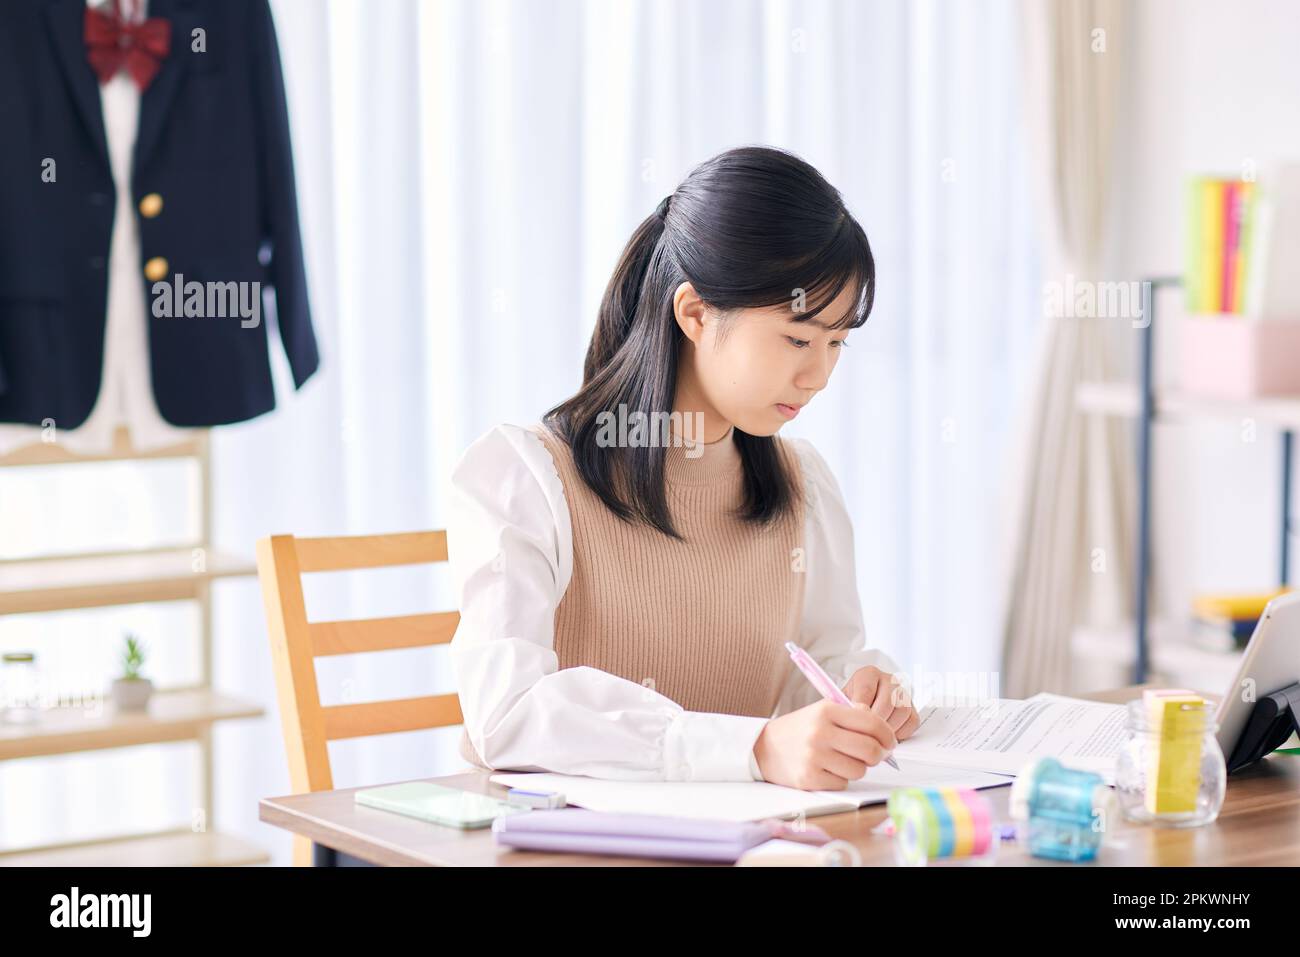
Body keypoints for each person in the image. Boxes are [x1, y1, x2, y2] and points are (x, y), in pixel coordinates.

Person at [448, 145, 918, 791]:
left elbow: (820, 667)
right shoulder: (526, 474)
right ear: (695, 313)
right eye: (798, 339)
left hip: (752, 842)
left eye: (837, 342)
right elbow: (507, 713)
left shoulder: (801, 483)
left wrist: (864, 696)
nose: (820, 375)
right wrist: (749, 747)